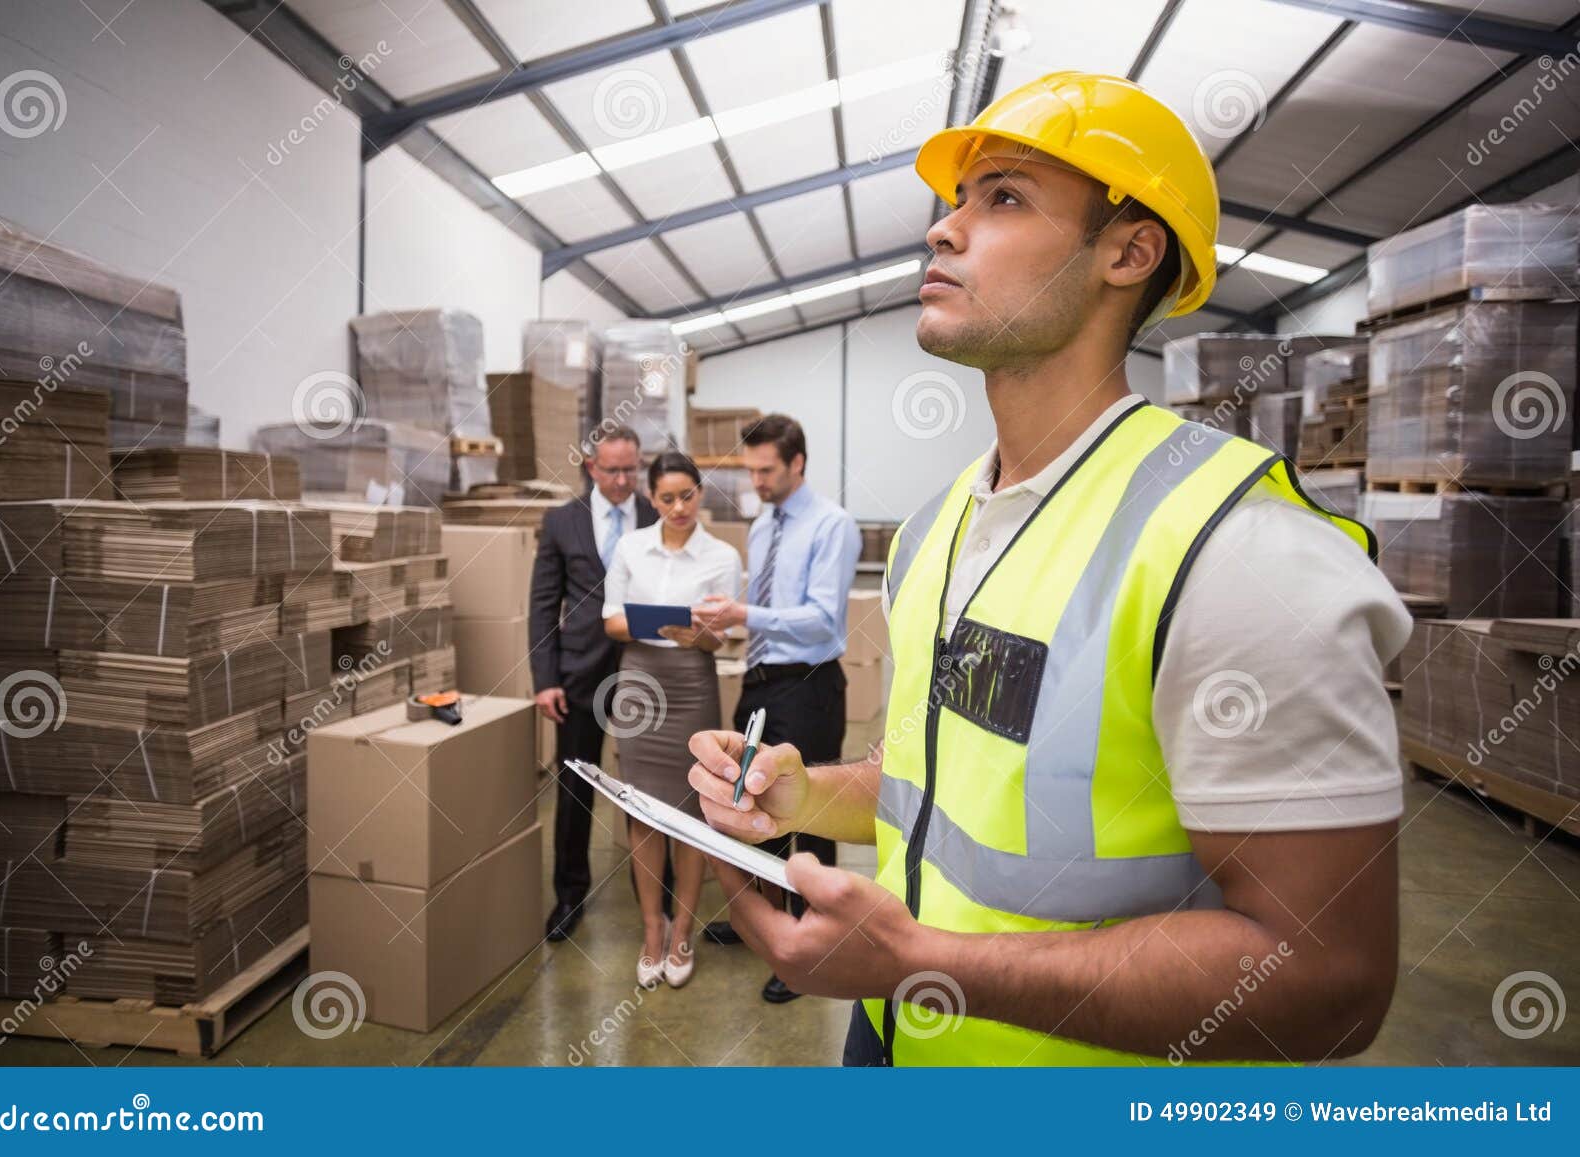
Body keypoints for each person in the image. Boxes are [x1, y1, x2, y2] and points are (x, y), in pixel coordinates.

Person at [687, 71, 1407, 1065]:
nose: (943, 229)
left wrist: (919, 960)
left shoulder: (1237, 546)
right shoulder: (940, 527)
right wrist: (803, 794)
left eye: (1004, 197)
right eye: (955, 200)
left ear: (1126, 250)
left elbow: (1326, 980)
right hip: (891, 1038)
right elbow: (933, 774)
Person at [691, 414, 861, 1004]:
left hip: (808, 683)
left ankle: (811, 944)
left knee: (808, 809)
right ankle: (760, 919)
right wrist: (730, 616)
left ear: (798, 464)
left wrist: (744, 617)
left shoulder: (833, 526)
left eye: (767, 471)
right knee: (753, 796)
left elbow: (820, 618)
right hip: (761, 679)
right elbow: (764, 605)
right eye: (752, 470)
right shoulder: (762, 528)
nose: (757, 482)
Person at [602, 451, 741, 988]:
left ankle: (682, 930)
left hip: (691, 686)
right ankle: (652, 932)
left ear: (700, 493)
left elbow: (720, 636)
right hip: (638, 685)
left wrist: (695, 634)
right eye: (666, 498)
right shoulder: (631, 546)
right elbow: (611, 622)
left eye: (688, 495)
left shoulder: (723, 556)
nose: (679, 507)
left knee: (690, 815)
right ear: (651, 498)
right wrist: (663, 624)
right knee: (642, 815)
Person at [529, 425, 658, 942]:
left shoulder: (657, 515)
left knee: (649, 789)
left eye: (632, 469)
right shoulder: (562, 522)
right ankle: (568, 896)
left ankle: (656, 889)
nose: (625, 480)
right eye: (613, 471)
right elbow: (542, 605)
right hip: (579, 676)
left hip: (646, 672)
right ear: (590, 467)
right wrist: (545, 679)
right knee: (575, 789)